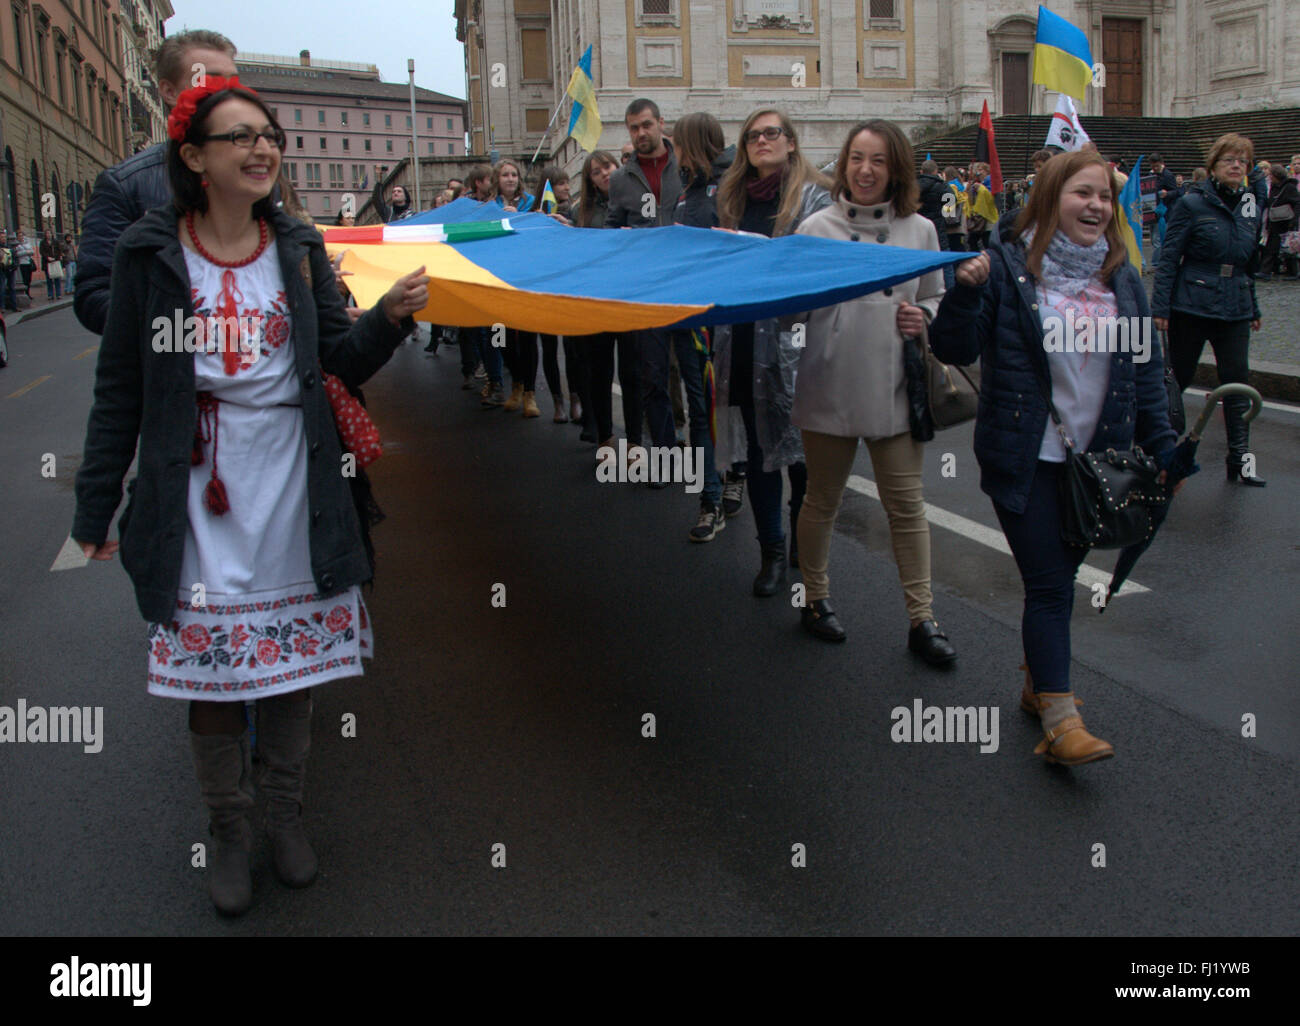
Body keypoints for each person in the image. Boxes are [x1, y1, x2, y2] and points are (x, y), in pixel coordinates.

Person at [71, 77, 427, 915]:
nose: (262, 147)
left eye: (267, 134)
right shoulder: (149, 254)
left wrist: (391, 317)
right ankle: (228, 830)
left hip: (294, 482)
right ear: (194, 158)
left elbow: (338, 361)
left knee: (290, 670)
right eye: (240, 137)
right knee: (214, 677)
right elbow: (120, 389)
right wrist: (94, 507)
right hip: (194, 486)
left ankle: (284, 817)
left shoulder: (297, 247)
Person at [928, 148, 1178, 765]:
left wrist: (1165, 448)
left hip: (1096, 463)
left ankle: (1037, 682)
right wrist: (962, 293)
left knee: (1058, 580)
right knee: (1048, 586)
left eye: (1103, 196)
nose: (1095, 205)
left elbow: (1145, 372)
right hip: (1025, 454)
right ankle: (1061, 721)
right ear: (1049, 199)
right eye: (1080, 194)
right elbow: (952, 343)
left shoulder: (1122, 278)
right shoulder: (1008, 269)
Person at [791, 119, 953, 662]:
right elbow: (790, 304)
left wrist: (921, 316)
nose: (864, 170)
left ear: (896, 168)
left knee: (907, 508)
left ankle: (922, 619)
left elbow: (934, 296)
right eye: (857, 158)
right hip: (829, 381)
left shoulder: (921, 230)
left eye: (878, 160)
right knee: (822, 499)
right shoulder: (816, 228)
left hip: (894, 386)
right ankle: (815, 598)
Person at [713, 108, 831, 593]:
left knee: (802, 453)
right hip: (742, 335)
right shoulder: (732, 198)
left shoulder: (815, 197)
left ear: (790, 142)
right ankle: (772, 553)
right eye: (752, 136)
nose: (761, 141)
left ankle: (805, 545)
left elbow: (816, 265)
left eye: (771, 133)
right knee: (761, 453)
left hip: (795, 339)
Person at [75, 30, 240, 335]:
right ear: (167, 91)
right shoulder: (124, 185)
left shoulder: (260, 174)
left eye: (232, 82)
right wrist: (183, 330)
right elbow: (94, 295)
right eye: (209, 80)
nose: (226, 93)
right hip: (172, 372)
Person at [1152, 133, 1265, 487]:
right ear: (1214, 166)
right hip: (1192, 305)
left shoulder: (1249, 203)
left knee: (1237, 386)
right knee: (1177, 381)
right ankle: (1163, 456)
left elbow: (1248, 261)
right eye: (1229, 160)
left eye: (1242, 162)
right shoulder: (1191, 203)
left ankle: (1241, 462)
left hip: (1235, 305)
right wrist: (1161, 308)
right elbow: (1170, 257)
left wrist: (1254, 304)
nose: (1236, 166)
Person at [606, 99, 685, 477]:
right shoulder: (620, 180)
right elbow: (611, 231)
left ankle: (714, 469)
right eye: (634, 128)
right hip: (646, 293)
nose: (640, 133)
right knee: (653, 378)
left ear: (661, 124)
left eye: (646, 125)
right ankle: (667, 458)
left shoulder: (686, 167)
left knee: (698, 378)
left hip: (690, 287)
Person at [669, 111, 731, 539]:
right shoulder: (684, 190)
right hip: (687, 315)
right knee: (700, 408)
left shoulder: (729, 186)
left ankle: (737, 476)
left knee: (730, 404)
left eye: (678, 141)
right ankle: (710, 497)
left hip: (724, 318)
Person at [577, 150, 641, 454]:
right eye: (596, 171)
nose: (604, 173)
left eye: (608, 167)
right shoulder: (581, 212)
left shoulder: (638, 204)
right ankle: (605, 438)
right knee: (599, 374)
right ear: (589, 180)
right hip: (595, 304)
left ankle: (636, 443)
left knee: (632, 376)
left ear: (619, 169)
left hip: (629, 301)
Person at [1259, 163, 1299, 280]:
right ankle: (1265, 271)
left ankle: (1293, 272)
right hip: (1275, 220)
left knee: (1288, 248)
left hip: (1286, 221)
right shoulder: (1274, 186)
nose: (1269, 177)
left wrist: (1294, 219)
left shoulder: (1289, 187)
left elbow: (1297, 203)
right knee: (1271, 247)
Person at [13, 230, 36, 296]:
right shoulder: (16, 244)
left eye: (22, 235)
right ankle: (25, 293)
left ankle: (28, 293)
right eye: (19, 236)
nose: (21, 237)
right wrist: (26, 252)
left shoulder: (27, 243)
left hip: (28, 263)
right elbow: (17, 254)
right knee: (24, 280)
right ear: (17, 237)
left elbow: (32, 252)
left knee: (29, 279)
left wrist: (27, 251)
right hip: (21, 264)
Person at [1, 232, 17, 310]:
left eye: (4, 237)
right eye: (2, 237)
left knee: (12, 288)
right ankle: (2, 307)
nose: (3, 239)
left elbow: (15, 257)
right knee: (2, 288)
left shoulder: (9, 247)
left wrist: (14, 266)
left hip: (11, 269)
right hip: (2, 270)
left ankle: (14, 306)